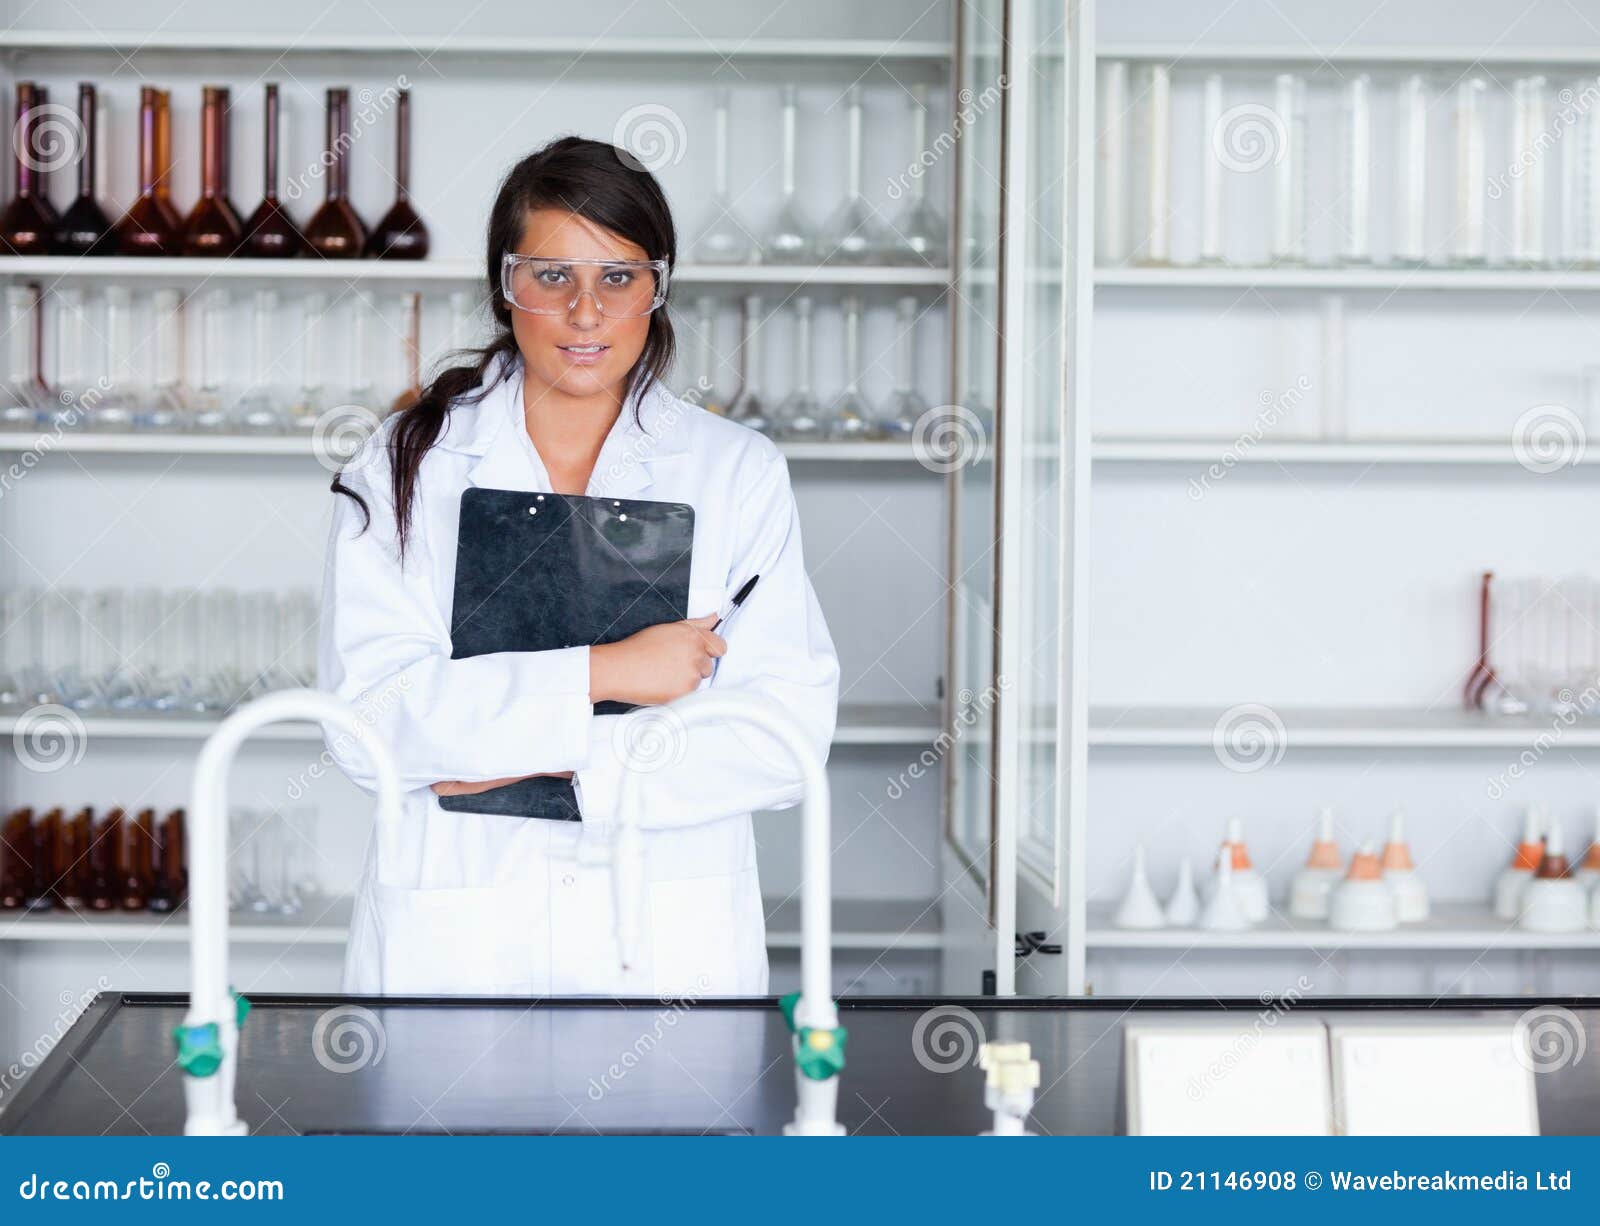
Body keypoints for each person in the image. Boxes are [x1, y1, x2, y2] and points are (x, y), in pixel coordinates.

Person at [317, 136, 839, 996]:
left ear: (656, 290)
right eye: (552, 275)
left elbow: (781, 741)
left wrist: (550, 768)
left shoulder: (735, 471)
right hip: (454, 947)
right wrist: (614, 672)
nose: (587, 313)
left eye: (620, 278)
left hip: (667, 949)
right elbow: (368, 725)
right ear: (504, 284)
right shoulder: (406, 464)